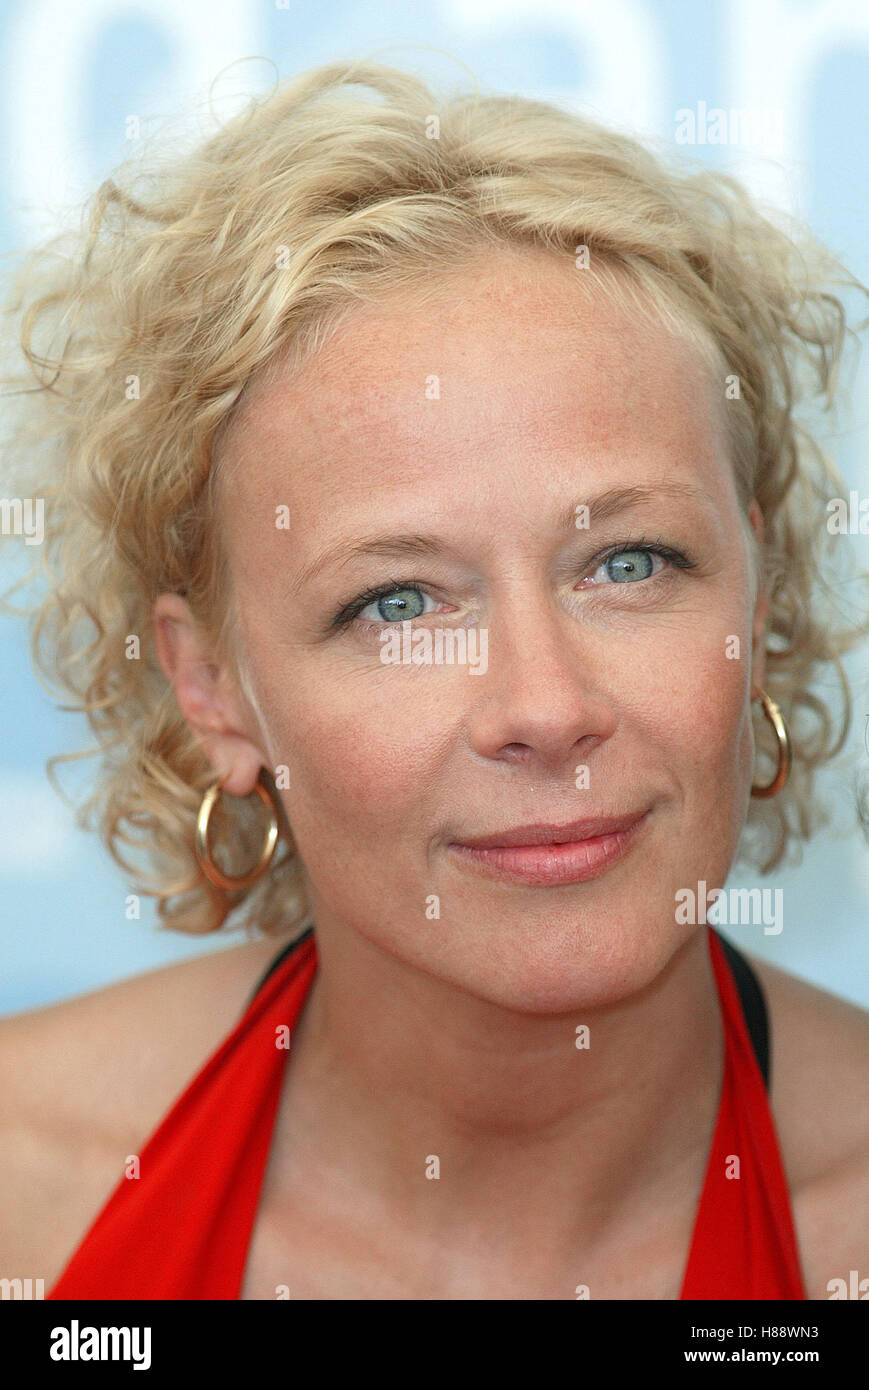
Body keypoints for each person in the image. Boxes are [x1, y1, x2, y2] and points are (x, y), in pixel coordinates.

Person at [1, 57, 869, 1301]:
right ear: (213, 689)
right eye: (396, 603)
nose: (546, 707)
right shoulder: (20, 1192)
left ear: (756, 593)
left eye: (627, 561)